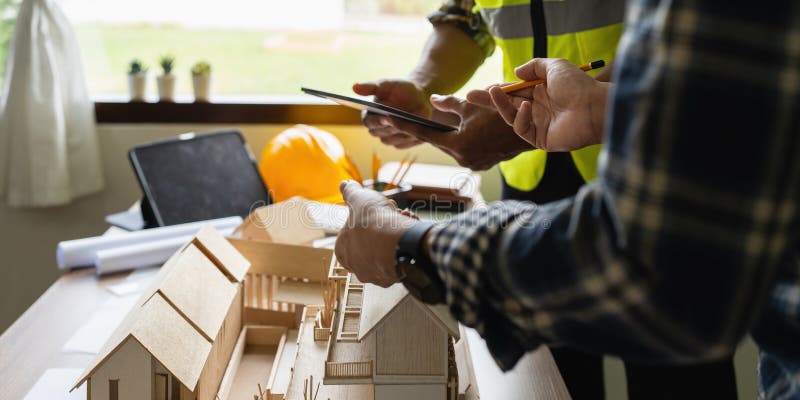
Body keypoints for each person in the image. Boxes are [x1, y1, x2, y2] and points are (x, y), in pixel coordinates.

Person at [336, 0, 800, 398]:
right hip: (554, 147)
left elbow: (655, 269)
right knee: (555, 376)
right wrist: (601, 106)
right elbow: (468, 16)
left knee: (678, 373)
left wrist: (415, 246)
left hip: (642, 160)